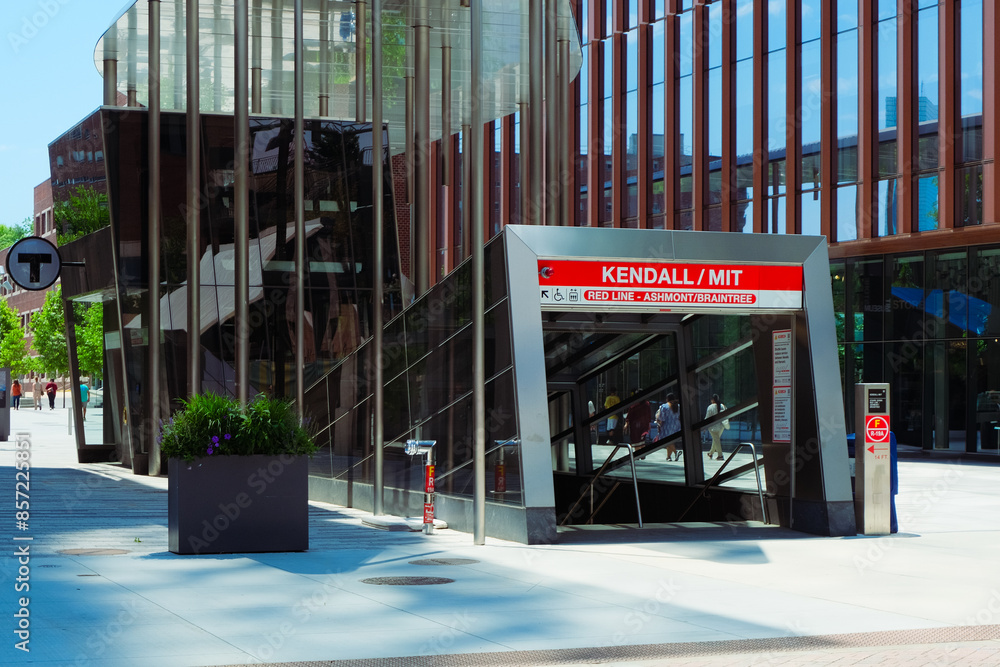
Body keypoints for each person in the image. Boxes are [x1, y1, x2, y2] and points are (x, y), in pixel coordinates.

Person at [656, 393, 682, 461]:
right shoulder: (678, 406)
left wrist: (659, 423)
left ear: (667, 399)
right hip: (676, 425)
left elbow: (662, 418)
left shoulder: (664, 406)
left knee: (668, 441)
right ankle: (668, 457)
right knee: (671, 441)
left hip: (667, 426)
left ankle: (676, 452)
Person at [705, 393, 729, 461]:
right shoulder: (723, 406)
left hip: (712, 427)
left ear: (712, 400)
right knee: (716, 439)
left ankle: (720, 455)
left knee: (716, 440)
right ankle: (711, 453)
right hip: (721, 426)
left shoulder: (710, 407)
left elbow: (707, 417)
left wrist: (704, 426)